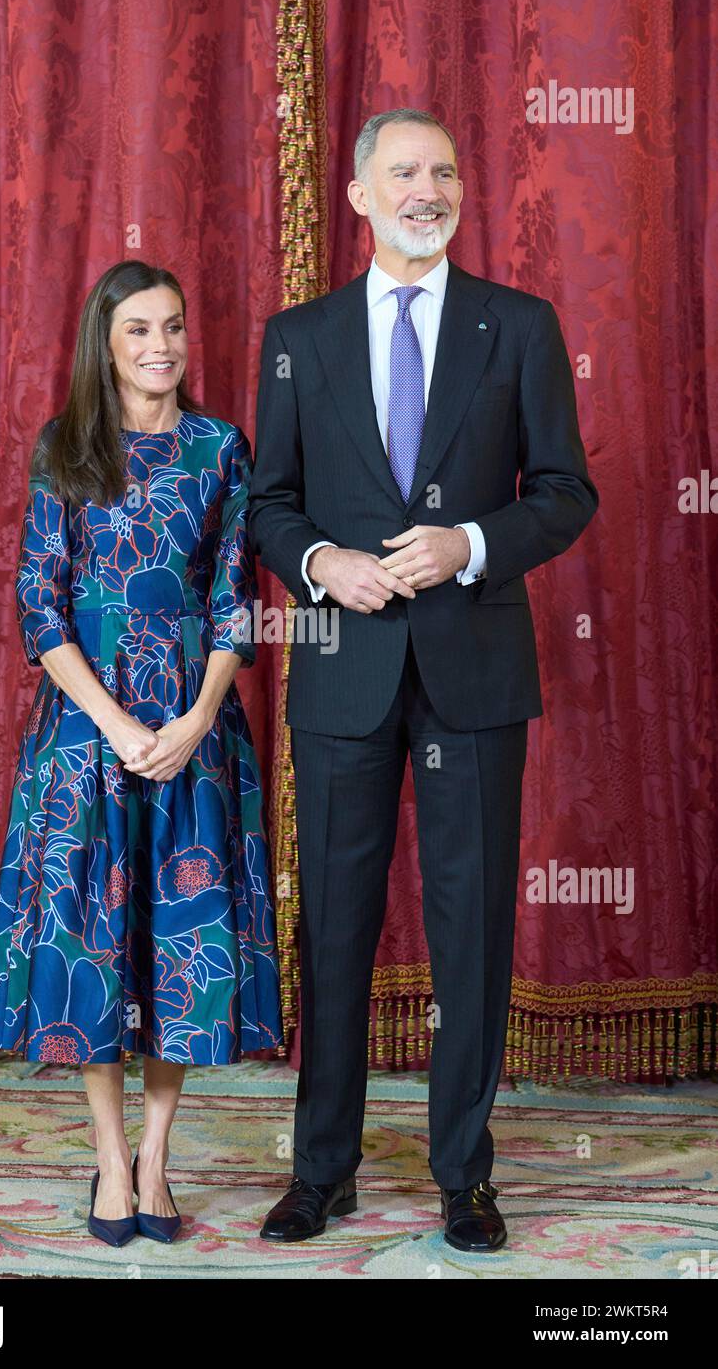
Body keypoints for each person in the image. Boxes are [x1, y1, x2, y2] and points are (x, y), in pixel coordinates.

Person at [248, 109, 598, 1251]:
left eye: (444, 169)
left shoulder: (520, 325)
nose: (426, 187)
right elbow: (267, 500)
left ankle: (465, 1175)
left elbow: (563, 490)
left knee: (472, 927)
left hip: (474, 668)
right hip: (343, 670)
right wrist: (318, 562)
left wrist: (470, 545)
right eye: (402, 171)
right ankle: (322, 1171)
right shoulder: (296, 335)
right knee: (334, 929)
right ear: (357, 196)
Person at [0, 259, 283, 1246]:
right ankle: (109, 1156)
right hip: (85, 732)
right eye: (139, 332)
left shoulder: (219, 448)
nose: (162, 348)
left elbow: (238, 597)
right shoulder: (65, 449)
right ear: (103, 347)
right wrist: (113, 723)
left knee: (179, 945)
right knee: (92, 945)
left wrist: (197, 718)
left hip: (193, 726)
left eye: (175, 329)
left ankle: (158, 1153)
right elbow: (39, 605)